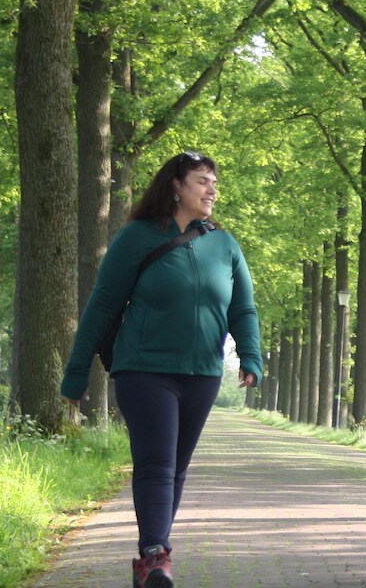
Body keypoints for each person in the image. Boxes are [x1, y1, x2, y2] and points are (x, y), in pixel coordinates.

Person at [61, 150, 262, 588]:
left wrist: (251, 356)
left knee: (176, 466)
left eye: (214, 182)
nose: (212, 190)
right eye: (202, 181)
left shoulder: (224, 244)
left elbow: (243, 308)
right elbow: (103, 305)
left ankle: (151, 556)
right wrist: (77, 372)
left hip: (204, 373)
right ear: (176, 186)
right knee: (155, 463)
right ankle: (156, 553)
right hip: (144, 369)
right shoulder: (137, 236)